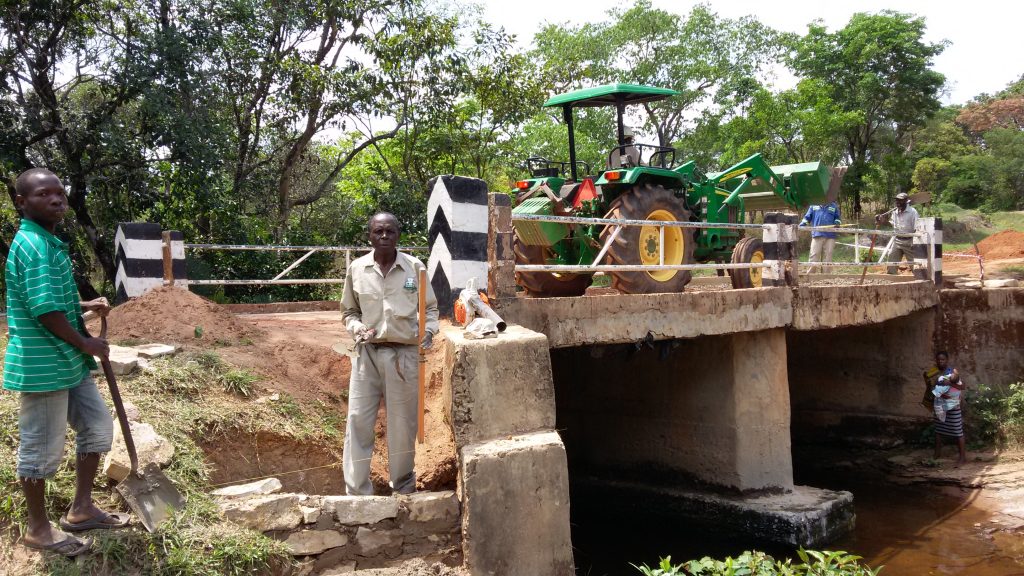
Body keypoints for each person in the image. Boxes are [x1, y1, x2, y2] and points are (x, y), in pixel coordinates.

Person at [5, 168, 128, 558]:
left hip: (66, 360)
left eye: (60, 193)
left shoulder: (49, 242)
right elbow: (44, 312)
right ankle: (38, 530)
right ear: (22, 203)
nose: (57, 200)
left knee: (95, 426)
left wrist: (84, 305)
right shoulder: (35, 245)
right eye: (44, 194)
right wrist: (88, 342)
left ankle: (81, 509)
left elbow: (50, 300)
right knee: (41, 449)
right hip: (44, 364)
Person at [341, 212, 439, 495]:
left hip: (404, 356)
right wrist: (357, 327)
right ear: (369, 235)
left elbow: (430, 308)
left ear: (398, 235)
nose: (384, 236)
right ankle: (357, 493)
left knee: (402, 426)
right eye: (378, 231)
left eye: (390, 232)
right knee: (358, 421)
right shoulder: (357, 269)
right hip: (366, 356)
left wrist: (428, 331)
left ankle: (404, 490)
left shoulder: (415, 268)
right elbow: (349, 311)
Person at [923, 351, 967, 466]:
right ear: (936, 360)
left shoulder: (952, 372)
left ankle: (962, 457)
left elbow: (962, 386)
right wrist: (928, 381)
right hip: (940, 404)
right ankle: (937, 453)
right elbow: (930, 386)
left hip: (953, 405)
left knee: (958, 431)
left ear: (947, 360)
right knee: (939, 429)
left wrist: (950, 383)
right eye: (938, 359)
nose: (940, 361)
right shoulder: (933, 371)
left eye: (942, 359)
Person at [876, 192, 918, 275]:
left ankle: (920, 279)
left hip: (909, 241)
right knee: (892, 260)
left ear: (906, 201)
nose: (898, 203)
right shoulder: (895, 212)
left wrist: (915, 242)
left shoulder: (913, 212)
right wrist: (882, 220)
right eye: (897, 201)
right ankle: (891, 278)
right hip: (897, 240)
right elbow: (891, 224)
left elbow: (917, 228)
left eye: (901, 201)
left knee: (914, 264)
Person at [799, 201, 842, 273]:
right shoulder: (813, 205)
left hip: (830, 235)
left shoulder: (833, 206)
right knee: (814, 255)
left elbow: (837, 218)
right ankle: (810, 275)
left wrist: (837, 223)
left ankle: (826, 276)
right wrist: (801, 225)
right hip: (817, 234)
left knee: (828, 256)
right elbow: (807, 218)